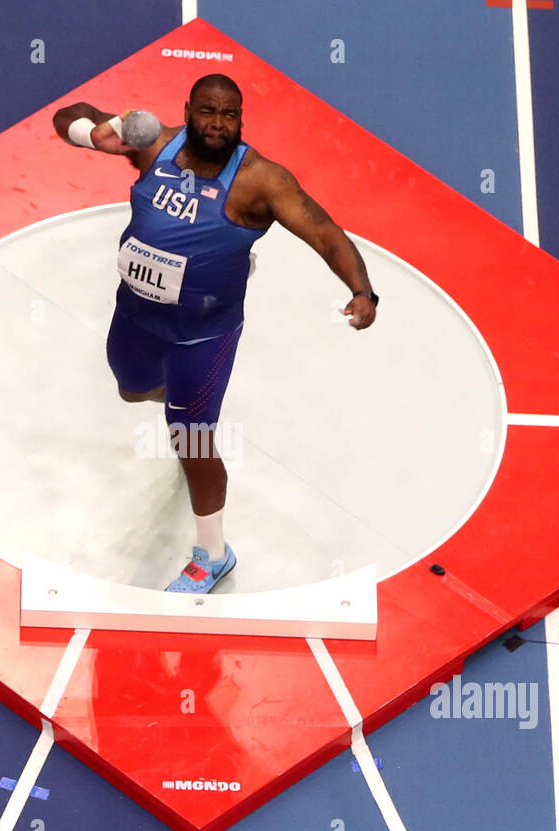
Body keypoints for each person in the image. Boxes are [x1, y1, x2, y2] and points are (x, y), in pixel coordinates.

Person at [52, 73, 378, 593]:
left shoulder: (260, 181)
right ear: (188, 111)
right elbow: (66, 114)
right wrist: (96, 133)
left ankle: (213, 554)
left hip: (202, 338)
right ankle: (175, 390)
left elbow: (324, 232)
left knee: (193, 440)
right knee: (131, 389)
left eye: (229, 115)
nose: (218, 124)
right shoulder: (152, 144)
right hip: (135, 318)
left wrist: (363, 291)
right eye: (208, 112)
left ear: (241, 119)